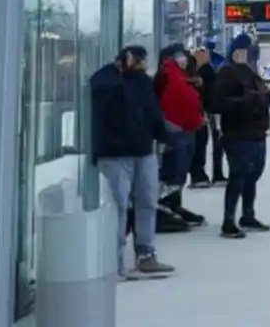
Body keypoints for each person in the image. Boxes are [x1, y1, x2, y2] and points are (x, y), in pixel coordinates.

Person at [90, 45, 174, 279]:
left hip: (143, 151)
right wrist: (122, 69)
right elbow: (104, 91)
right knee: (118, 205)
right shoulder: (105, 79)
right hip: (113, 153)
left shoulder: (143, 82)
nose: (143, 66)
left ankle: (146, 253)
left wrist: (163, 136)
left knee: (147, 200)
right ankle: (113, 261)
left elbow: (153, 111)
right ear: (126, 59)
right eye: (139, 61)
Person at [210, 33, 270, 239]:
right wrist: (250, 99)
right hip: (238, 133)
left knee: (253, 174)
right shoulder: (226, 72)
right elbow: (217, 103)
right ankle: (229, 220)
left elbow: (264, 95)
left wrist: (262, 98)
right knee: (239, 175)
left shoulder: (250, 72)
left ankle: (247, 214)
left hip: (256, 132)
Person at [155, 44, 206, 228]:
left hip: (186, 128)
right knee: (173, 171)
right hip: (175, 129)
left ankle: (173, 205)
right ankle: (164, 208)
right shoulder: (168, 77)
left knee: (181, 169)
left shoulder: (184, 76)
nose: (183, 59)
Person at [189, 47, 225, 187]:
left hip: (205, 112)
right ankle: (214, 174)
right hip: (209, 112)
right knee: (213, 143)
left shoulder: (200, 73)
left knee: (203, 143)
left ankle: (200, 174)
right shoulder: (208, 72)